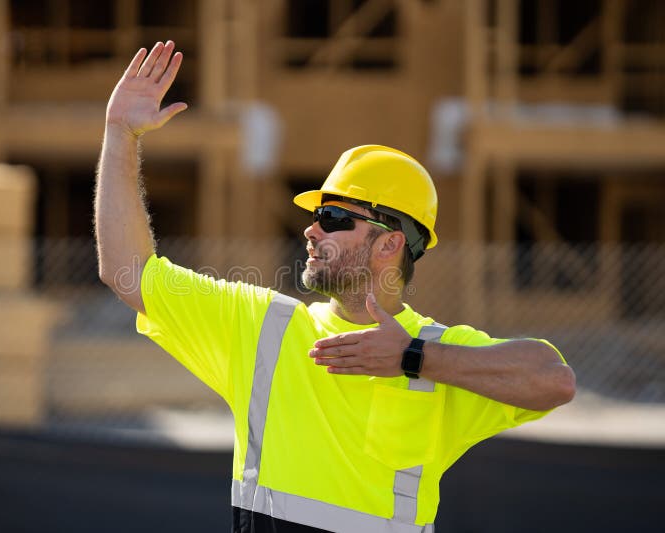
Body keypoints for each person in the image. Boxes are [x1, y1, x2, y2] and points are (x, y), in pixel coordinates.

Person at [95, 41, 576, 533]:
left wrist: (413, 359)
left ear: (389, 244)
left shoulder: (436, 354)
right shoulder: (262, 328)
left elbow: (554, 380)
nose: (311, 229)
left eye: (332, 217)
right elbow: (124, 269)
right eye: (314, 216)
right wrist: (120, 133)